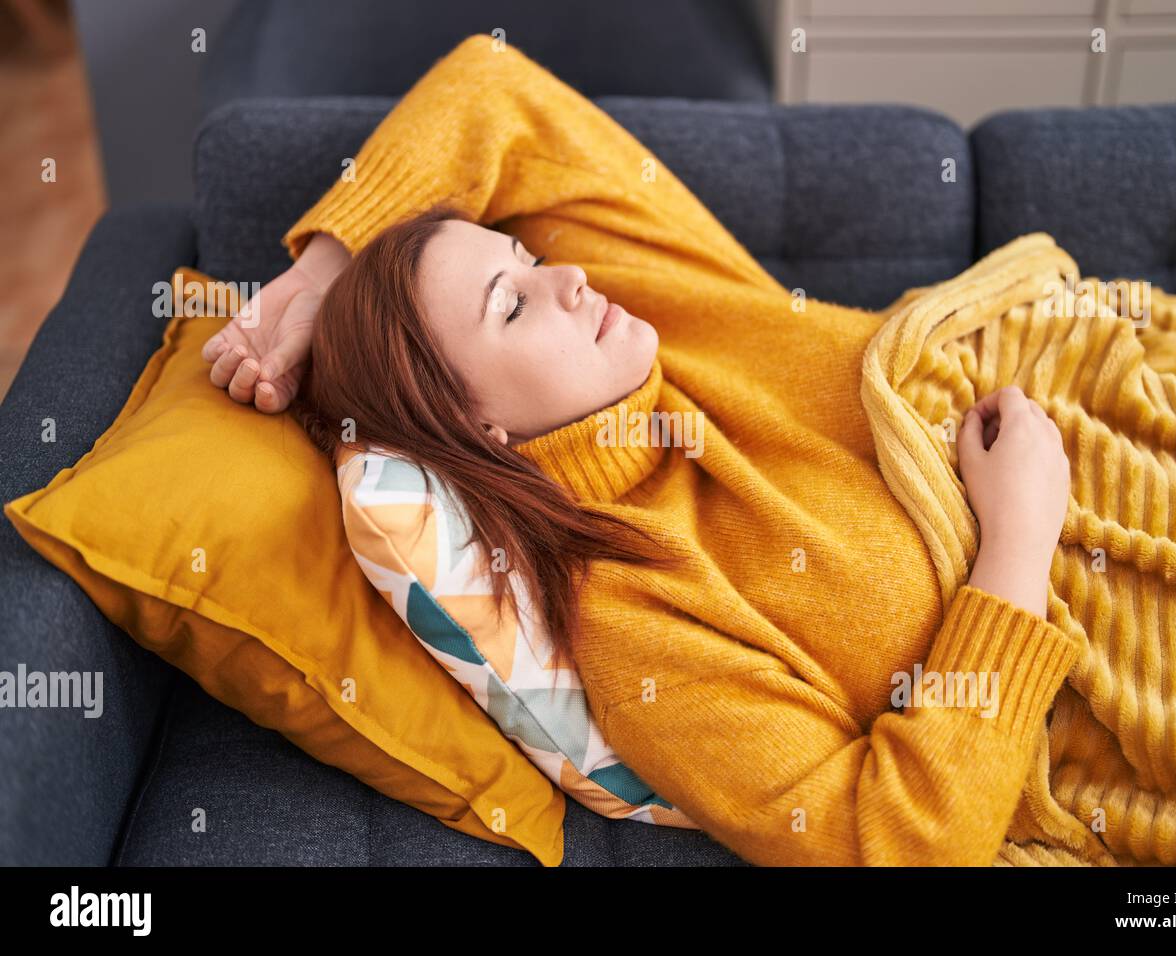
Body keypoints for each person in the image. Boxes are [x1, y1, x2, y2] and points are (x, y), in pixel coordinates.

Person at [199, 34, 1090, 867]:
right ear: (478, 431)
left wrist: (320, 277)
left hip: (1150, 380)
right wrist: (1017, 542)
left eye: (522, 253)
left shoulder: (651, 312)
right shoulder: (639, 623)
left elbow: (490, 81)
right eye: (510, 304)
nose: (568, 278)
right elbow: (886, 843)